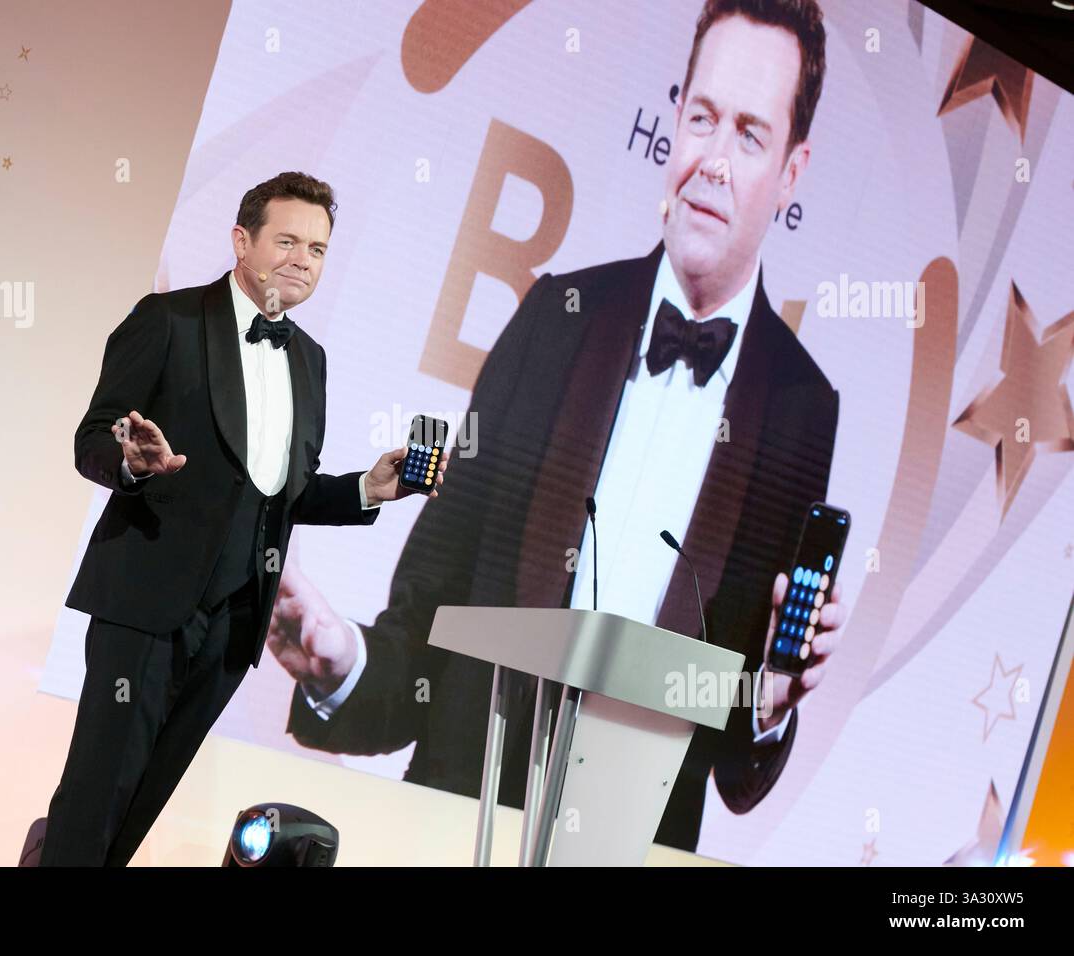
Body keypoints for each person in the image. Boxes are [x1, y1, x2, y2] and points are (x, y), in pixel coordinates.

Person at [269, 0, 848, 853]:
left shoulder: (802, 409)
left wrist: (766, 700)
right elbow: (428, 626)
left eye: (750, 136)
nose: (712, 164)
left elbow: (732, 766)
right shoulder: (554, 318)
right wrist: (342, 665)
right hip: (455, 831)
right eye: (700, 118)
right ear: (674, 119)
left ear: (792, 171)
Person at [40, 171, 446, 865]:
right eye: (286, 240)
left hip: (233, 626)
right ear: (241, 240)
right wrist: (133, 462)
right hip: (145, 606)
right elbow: (94, 439)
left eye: (316, 249)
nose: (301, 260)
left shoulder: (310, 361)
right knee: (94, 795)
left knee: (142, 797)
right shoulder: (167, 320)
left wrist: (367, 491)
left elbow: (280, 492)